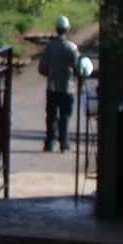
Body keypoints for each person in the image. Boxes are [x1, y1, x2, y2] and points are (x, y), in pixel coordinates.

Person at [38, 15, 82, 152]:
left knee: (51, 116)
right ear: (67, 29)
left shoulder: (49, 47)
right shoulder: (72, 48)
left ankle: (49, 143)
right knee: (65, 116)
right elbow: (78, 68)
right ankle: (64, 144)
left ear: (56, 29)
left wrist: (51, 73)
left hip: (51, 87)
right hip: (68, 88)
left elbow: (42, 68)